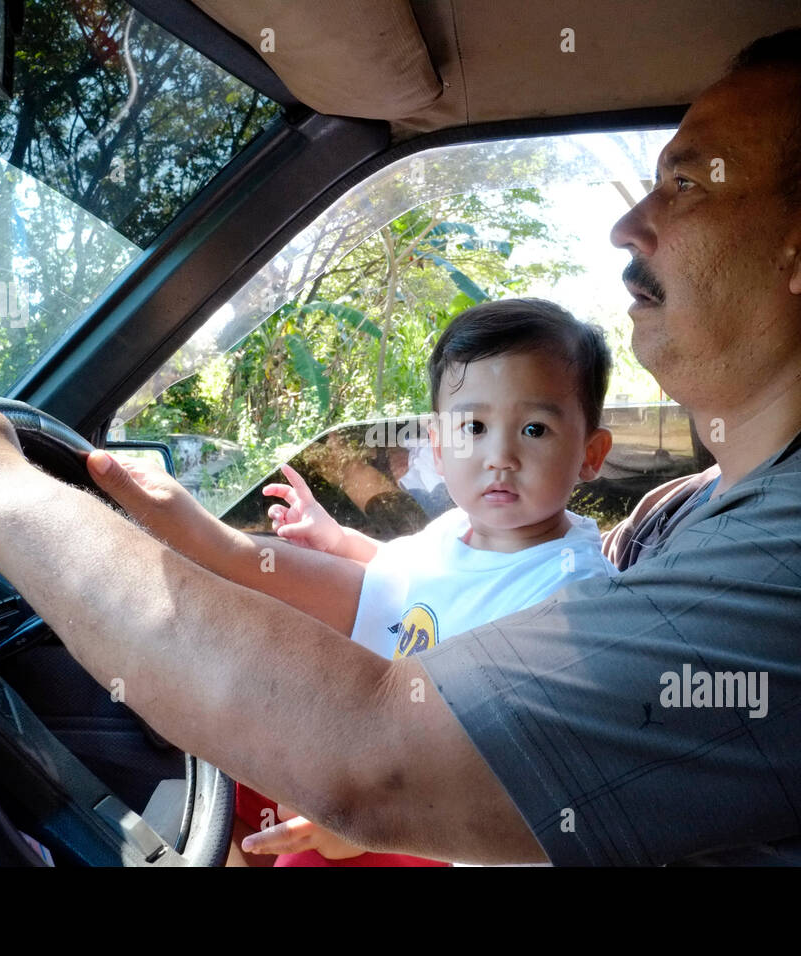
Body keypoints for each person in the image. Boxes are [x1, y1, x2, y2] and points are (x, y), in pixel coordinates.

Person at [0, 27, 801, 865]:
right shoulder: (756, 497)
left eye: (689, 179)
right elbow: (399, 608)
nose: (633, 216)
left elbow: (374, 753)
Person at [95, 298, 617, 865]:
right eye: (474, 426)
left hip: (438, 822)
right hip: (365, 748)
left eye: (534, 429)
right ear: (439, 450)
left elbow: (525, 763)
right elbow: (398, 571)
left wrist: (382, 821)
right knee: (227, 771)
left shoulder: (573, 592)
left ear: (590, 454)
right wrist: (337, 539)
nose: (500, 456)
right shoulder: (459, 530)